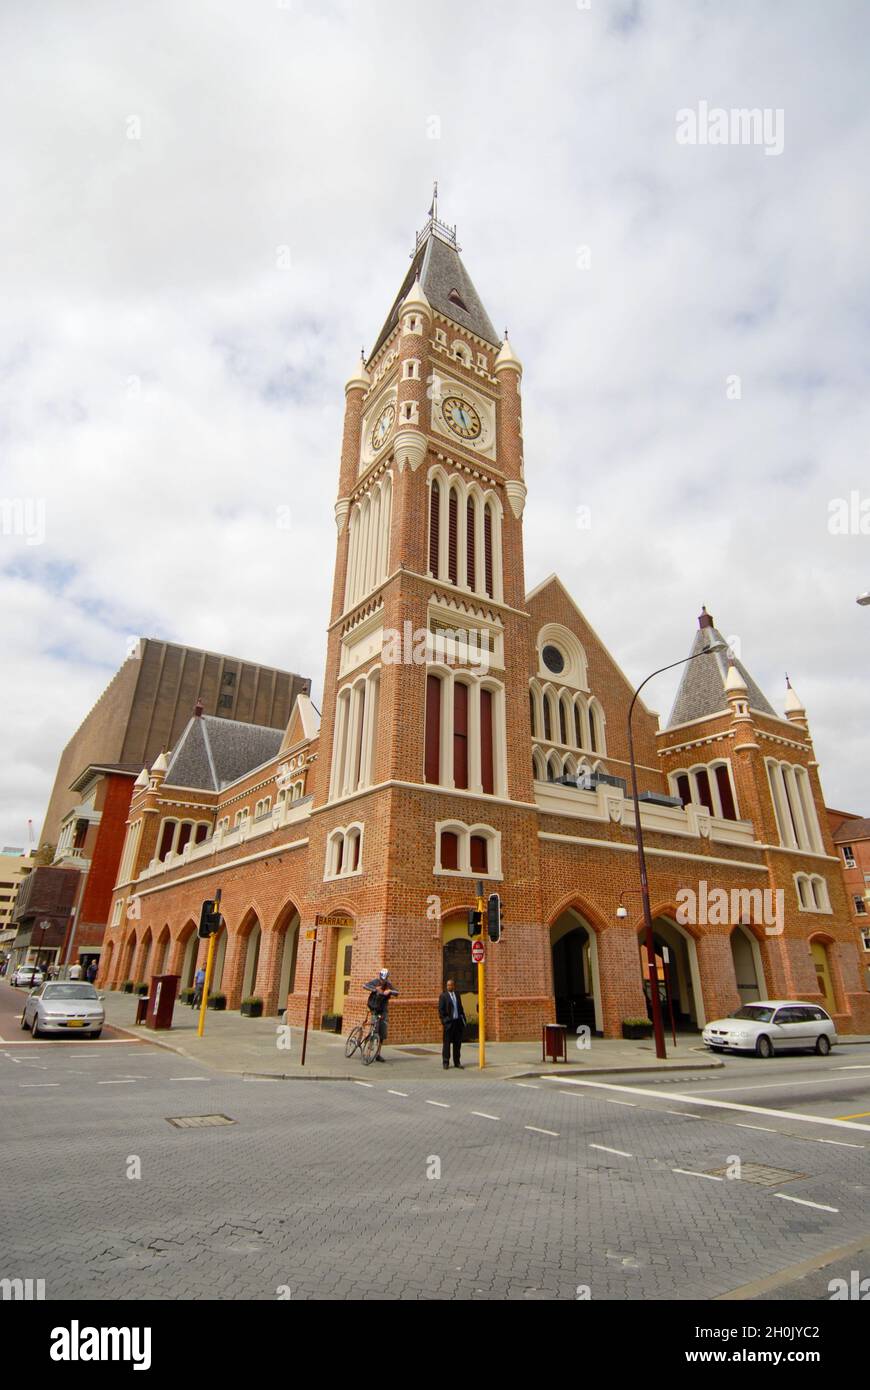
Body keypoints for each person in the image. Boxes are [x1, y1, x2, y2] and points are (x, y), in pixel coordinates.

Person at [363, 969, 398, 1062]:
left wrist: (390, 991)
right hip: (374, 1009)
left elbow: (397, 993)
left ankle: (378, 1054)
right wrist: (375, 989)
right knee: (373, 1031)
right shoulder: (376, 982)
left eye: (385, 979)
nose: (383, 981)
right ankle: (368, 1053)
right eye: (382, 979)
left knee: (382, 1033)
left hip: (383, 1010)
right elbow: (365, 986)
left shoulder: (388, 985)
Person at [438, 978, 467, 1070]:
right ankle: (446, 1062)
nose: (449, 986)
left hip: (457, 1023)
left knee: (457, 1044)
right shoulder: (443, 996)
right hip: (449, 1023)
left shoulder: (457, 995)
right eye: (448, 985)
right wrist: (445, 1022)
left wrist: (463, 1019)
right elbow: (441, 1010)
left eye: (451, 985)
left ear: (454, 986)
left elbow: (460, 1008)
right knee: (447, 1044)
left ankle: (457, 1062)